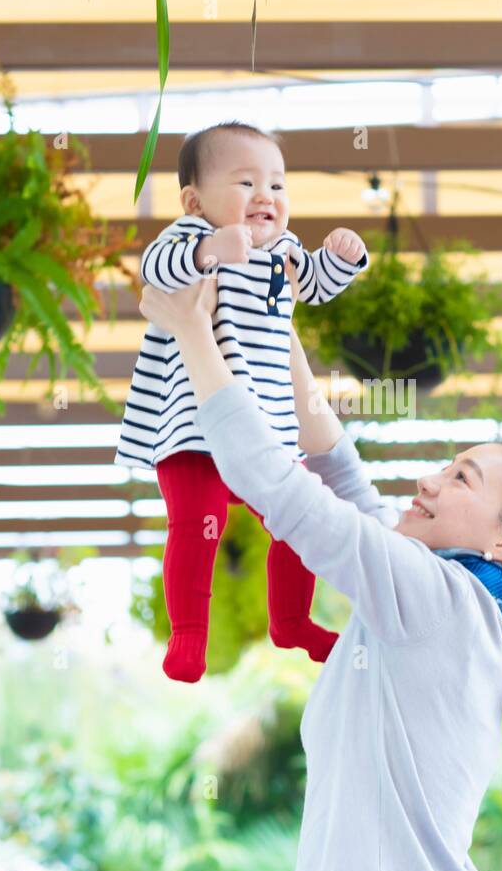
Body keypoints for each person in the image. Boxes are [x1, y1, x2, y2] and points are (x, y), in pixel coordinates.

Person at [137, 272, 502, 871]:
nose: (429, 479)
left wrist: (192, 331)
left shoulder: (435, 599)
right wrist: (269, 321)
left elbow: (277, 484)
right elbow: (337, 467)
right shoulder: (444, 600)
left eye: (460, 479)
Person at [115, 119, 369, 682]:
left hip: (268, 430)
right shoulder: (186, 236)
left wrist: (342, 259)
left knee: (298, 521)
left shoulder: (283, 251)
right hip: (195, 429)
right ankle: (188, 636)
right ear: (194, 199)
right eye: (246, 183)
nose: (266, 197)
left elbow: (317, 285)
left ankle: (292, 621)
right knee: (195, 523)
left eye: (277, 186)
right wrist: (208, 249)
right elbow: (153, 271)